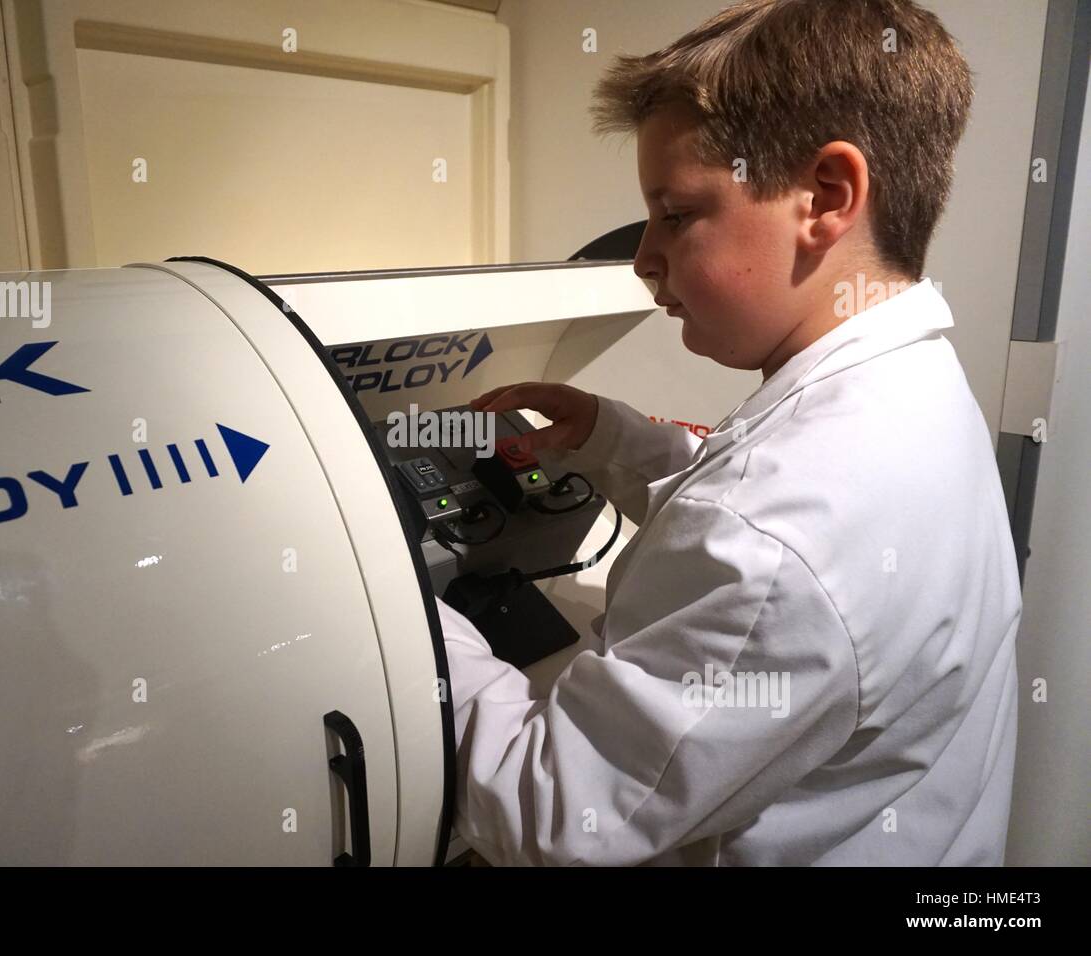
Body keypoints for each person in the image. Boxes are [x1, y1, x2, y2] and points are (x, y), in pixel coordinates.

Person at [437, 0, 1021, 865]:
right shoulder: (909, 383)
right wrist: (607, 436)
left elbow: (549, 812)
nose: (642, 257)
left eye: (675, 214)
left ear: (825, 197)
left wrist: (401, 615)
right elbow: (741, 496)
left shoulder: (784, 531)